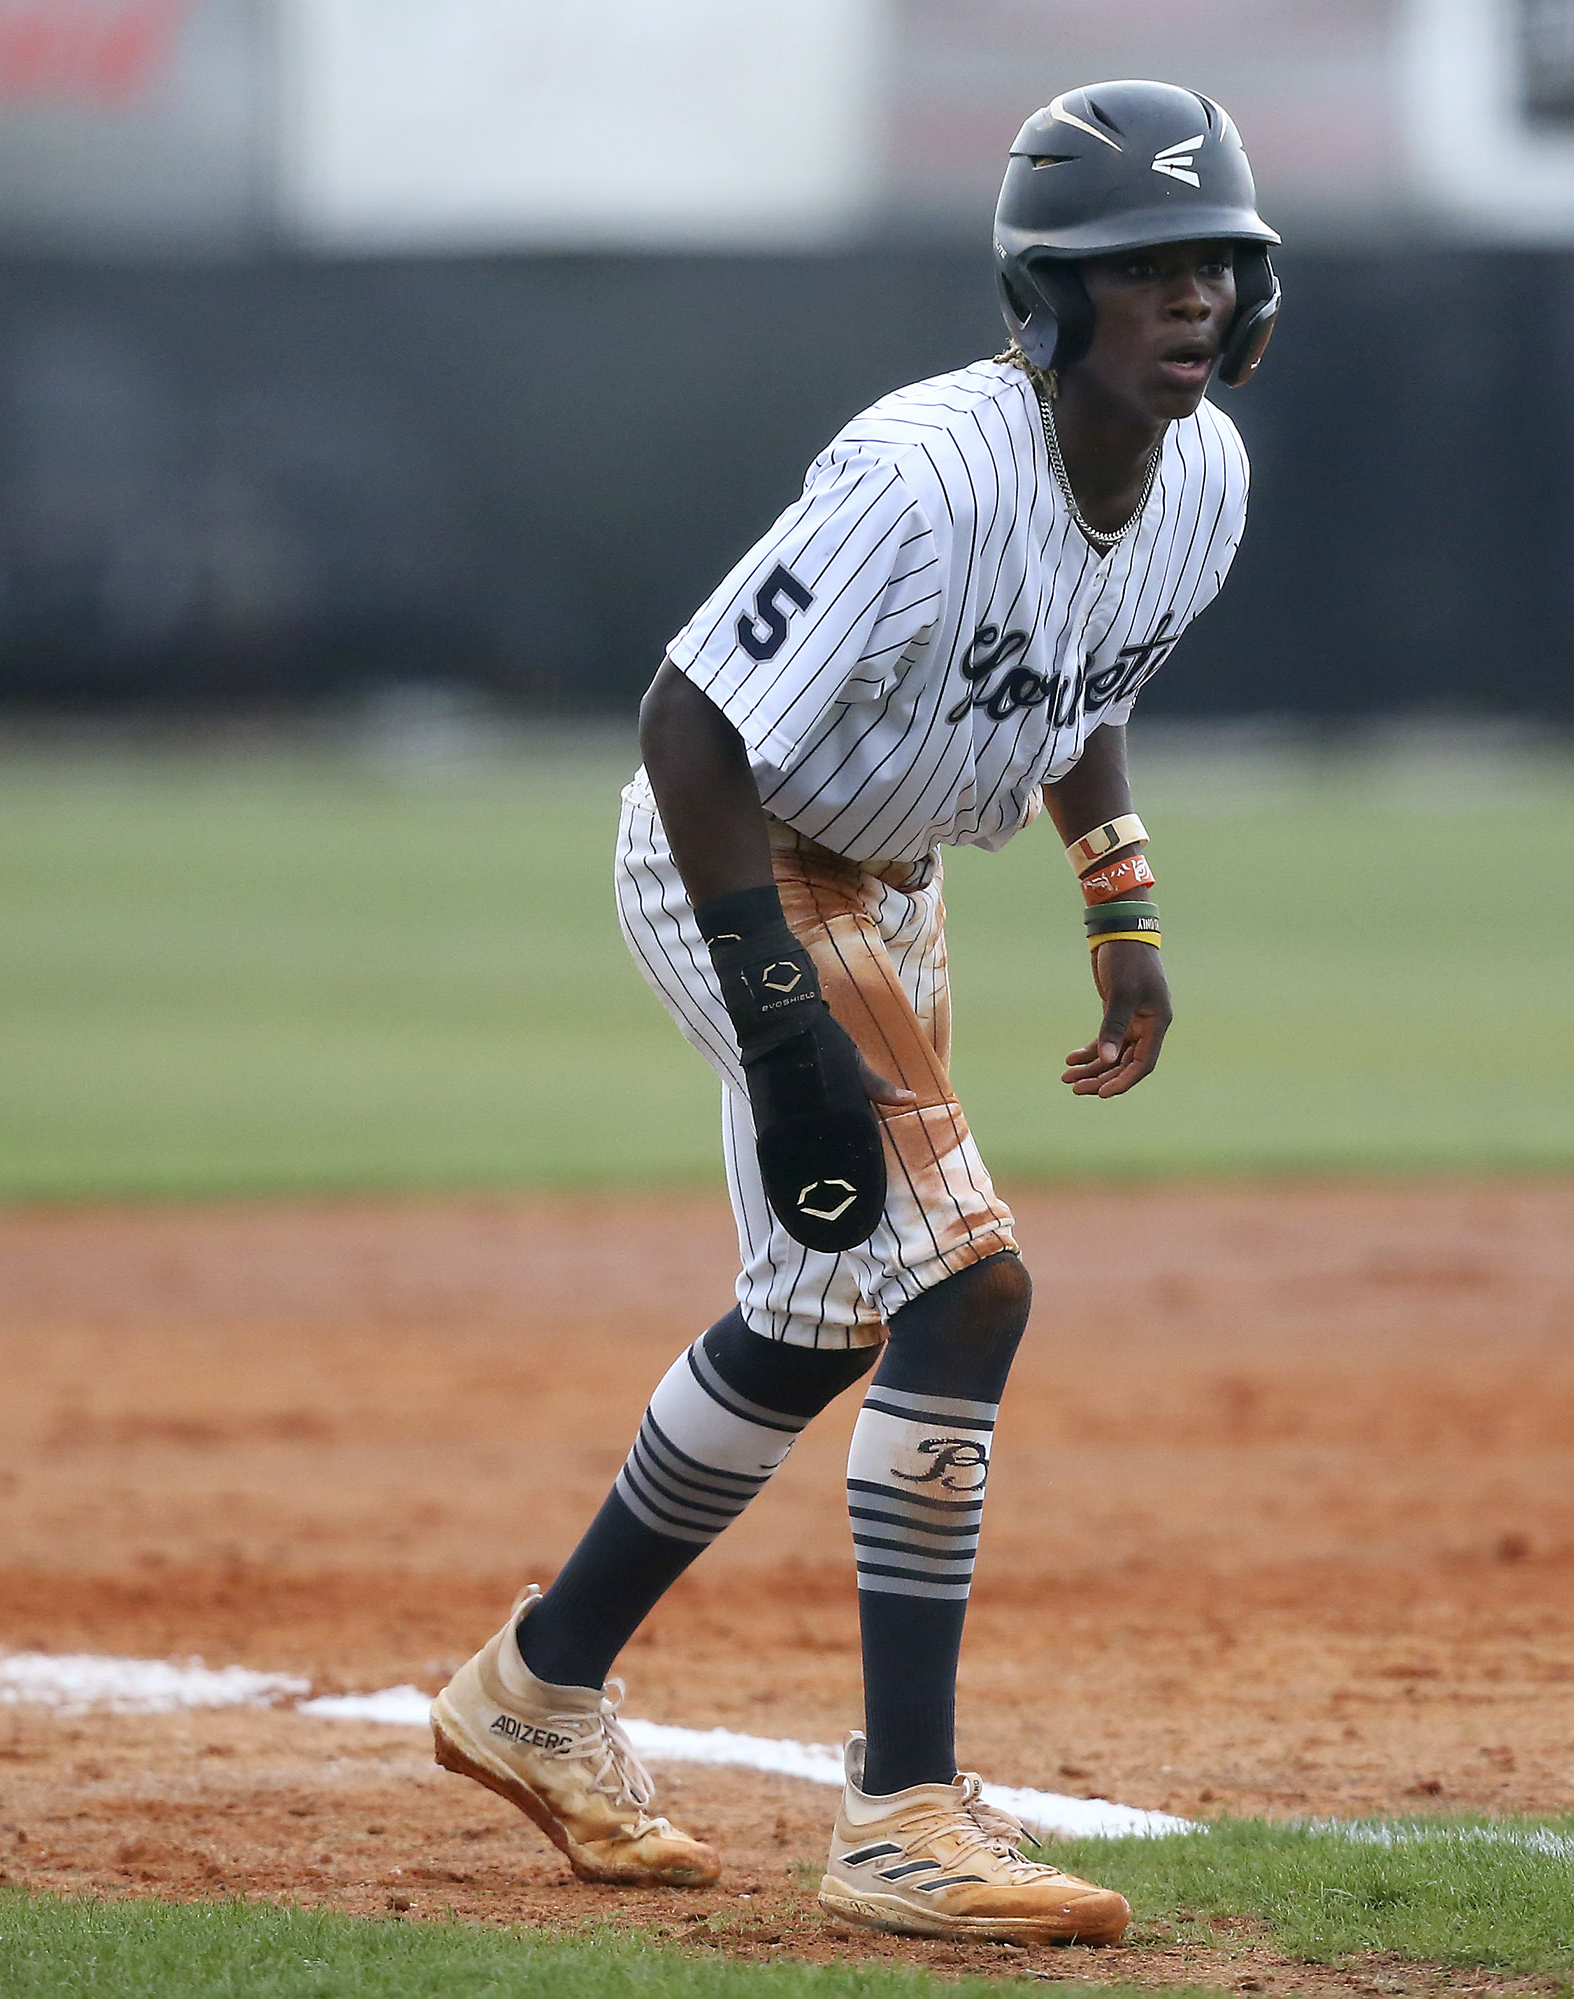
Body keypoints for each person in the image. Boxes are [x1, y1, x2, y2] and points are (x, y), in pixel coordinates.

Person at [424, 80, 1279, 1948]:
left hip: (893, 879)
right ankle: (901, 1811)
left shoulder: (1204, 472)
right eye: (1144, 265)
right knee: (967, 1284)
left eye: (1216, 260)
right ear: (1052, 294)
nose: (1192, 295)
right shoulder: (922, 475)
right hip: (739, 856)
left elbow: (1079, 680)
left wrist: (1120, 900)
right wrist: (777, 1014)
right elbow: (690, 723)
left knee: (822, 1309)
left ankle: (537, 1686)